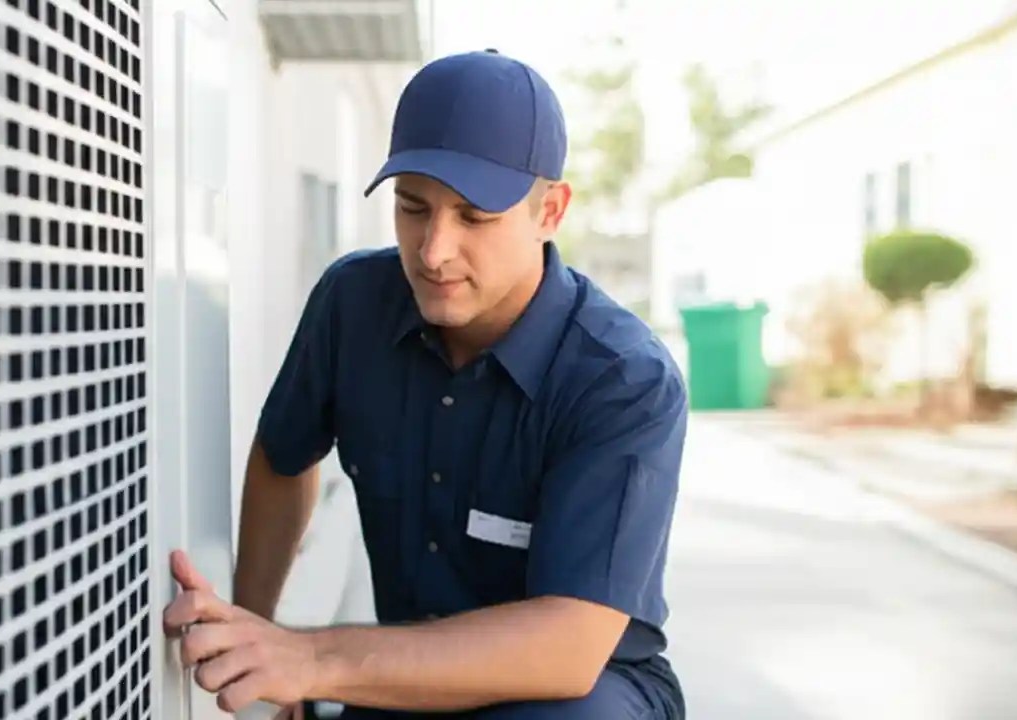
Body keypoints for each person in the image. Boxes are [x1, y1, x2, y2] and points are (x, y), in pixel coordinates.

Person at [162, 49, 688, 719]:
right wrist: (251, 644)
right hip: (402, 678)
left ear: (549, 211)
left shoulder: (622, 379)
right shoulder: (352, 304)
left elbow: (571, 643)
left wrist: (308, 660)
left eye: (474, 218)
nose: (434, 251)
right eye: (413, 208)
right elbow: (282, 456)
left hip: (576, 693)